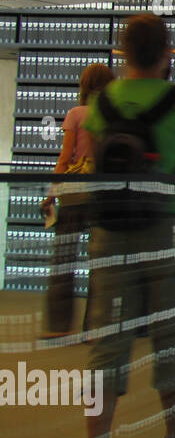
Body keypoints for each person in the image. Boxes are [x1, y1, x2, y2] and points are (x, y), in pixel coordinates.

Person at [76, 14, 175, 438]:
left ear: (124, 52)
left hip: (110, 233)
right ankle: (174, 435)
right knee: (172, 334)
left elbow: (93, 164)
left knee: (108, 344)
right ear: (166, 53)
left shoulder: (103, 101)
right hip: (168, 231)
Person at [40, 64, 113, 337]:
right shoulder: (110, 117)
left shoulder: (76, 114)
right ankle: (94, 325)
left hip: (73, 195)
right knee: (100, 264)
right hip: (101, 195)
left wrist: (51, 194)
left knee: (63, 260)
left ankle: (58, 326)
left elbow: (64, 159)